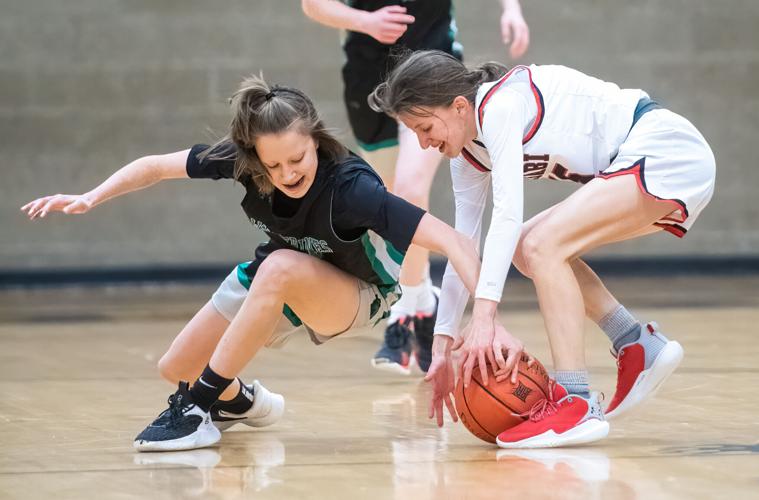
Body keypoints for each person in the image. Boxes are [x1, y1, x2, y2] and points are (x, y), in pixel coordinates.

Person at [21, 74, 492, 452]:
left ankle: (197, 410)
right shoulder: (244, 161)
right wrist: (90, 197)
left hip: (357, 293)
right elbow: (156, 166)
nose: (288, 173)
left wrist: (484, 324)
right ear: (255, 159)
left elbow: (455, 242)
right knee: (177, 366)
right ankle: (242, 402)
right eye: (275, 166)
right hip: (279, 273)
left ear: (315, 140)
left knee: (280, 268)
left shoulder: (352, 189)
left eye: (298, 158)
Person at [369, 50, 715, 448]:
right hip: (653, 160)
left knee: (540, 243)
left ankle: (576, 402)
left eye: (425, 127)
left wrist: (485, 316)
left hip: (667, 150)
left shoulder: (499, 105)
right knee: (527, 248)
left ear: (459, 106)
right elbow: (462, 247)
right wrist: (442, 345)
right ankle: (635, 342)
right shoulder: (467, 153)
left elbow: (507, 212)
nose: (423, 142)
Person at [301, 0, 530, 375]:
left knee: (409, 188)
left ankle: (404, 311)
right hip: (367, 71)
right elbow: (313, 5)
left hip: (430, 69)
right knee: (388, 205)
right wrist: (364, 20)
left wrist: (512, 10)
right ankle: (423, 299)